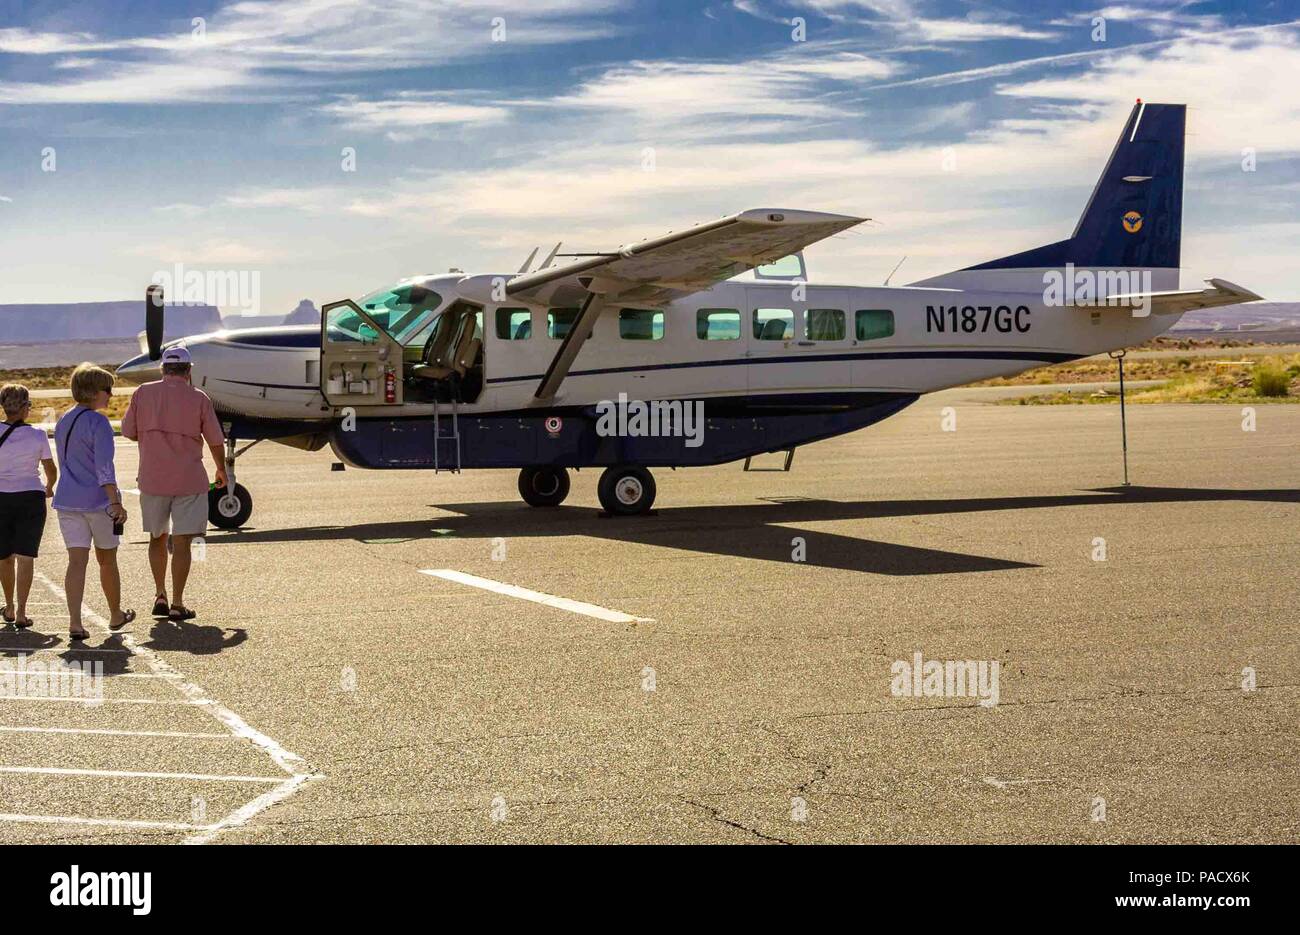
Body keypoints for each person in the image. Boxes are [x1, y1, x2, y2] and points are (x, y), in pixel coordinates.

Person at [121, 346, 226, 622]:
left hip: (153, 479)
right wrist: (221, 469)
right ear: (189, 371)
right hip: (189, 480)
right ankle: (178, 602)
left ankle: (159, 594)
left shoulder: (142, 393)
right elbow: (215, 439)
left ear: (163, 368)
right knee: (182, 543)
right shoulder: (199, 398)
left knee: (157, 538)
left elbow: (129, 431)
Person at [52, 364, 135, 640]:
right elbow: (104, 468)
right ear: (93, 391)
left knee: (76, 562)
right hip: (97, 503)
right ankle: (114, 614)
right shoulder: (98, 423)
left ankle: (75, 622)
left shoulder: (64, 419)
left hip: (67, 500)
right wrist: (116, 502)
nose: (111, 395)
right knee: (107, 560)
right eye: (107, 390)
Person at [0, 384, 57, 629]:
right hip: (31, 496)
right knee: (25, 556)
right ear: (24, 407)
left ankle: (9, 604)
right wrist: (49, 487)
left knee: (4, 557)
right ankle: (22, 610)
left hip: (1, 496)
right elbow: (50, 469)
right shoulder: (37, 434)